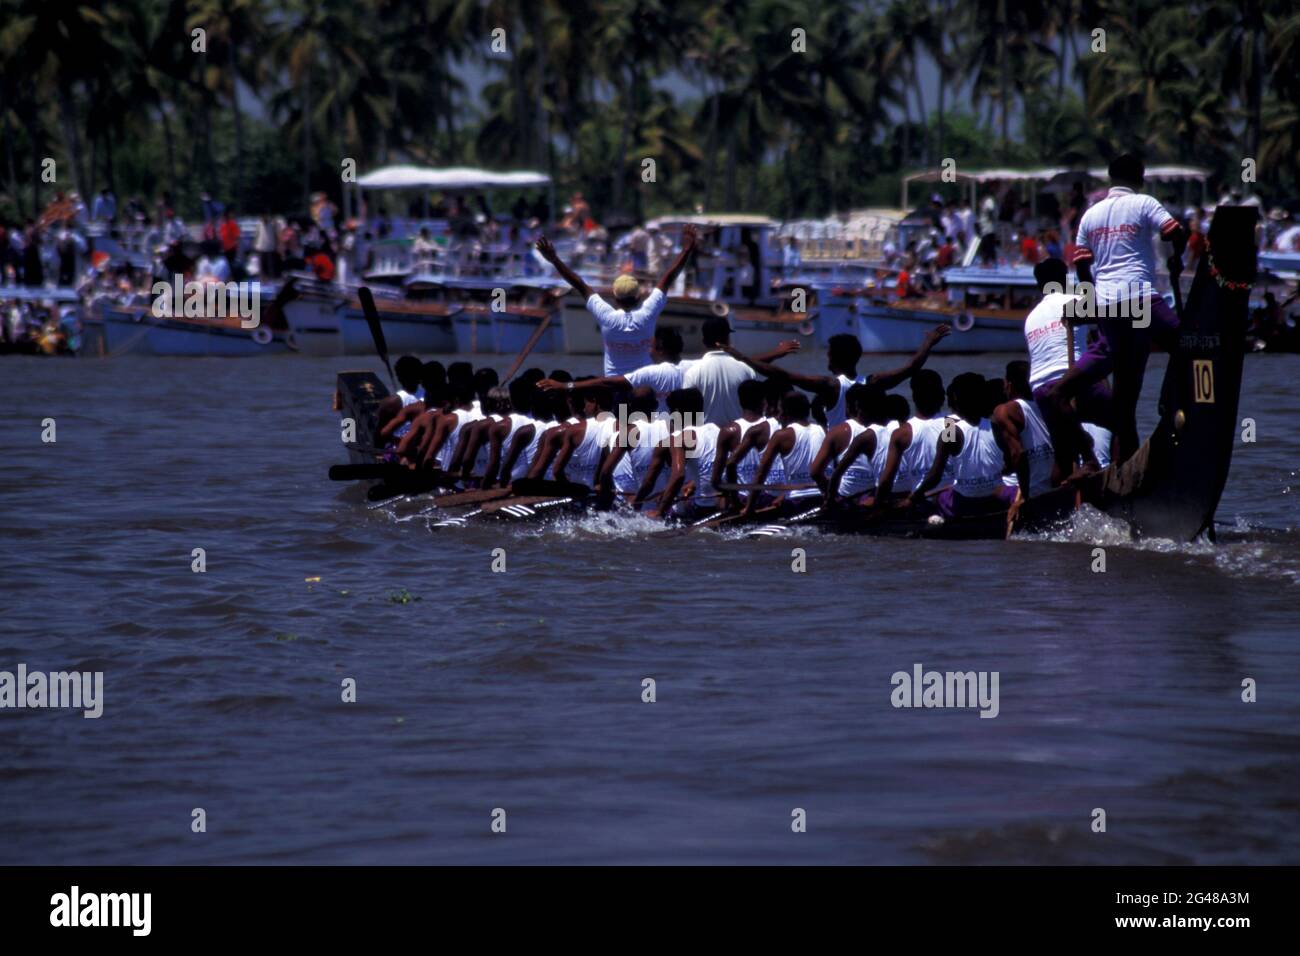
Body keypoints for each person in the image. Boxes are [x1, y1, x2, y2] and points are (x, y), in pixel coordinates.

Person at [1048, 153, 1186, 463]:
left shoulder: (1090, 215)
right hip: (1139, 299)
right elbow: (1175, 232)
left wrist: (1093, 306)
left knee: (1125, 398)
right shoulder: (1144, 203)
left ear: (1111, 179)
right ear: (1139, 178)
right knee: (1187, 345)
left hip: (1109, 306)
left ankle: (1124, 466)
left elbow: (1083, 269)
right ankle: (1176, 405)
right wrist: (1178, 256)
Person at [535, 225, 699, 375]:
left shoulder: (608, 317)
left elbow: (579, 284)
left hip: (615, 389)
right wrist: (685, 250)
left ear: (615, 298)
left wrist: (554, 260)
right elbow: (668, 278)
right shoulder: (647, 313)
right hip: (645, 388)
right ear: (639, 296)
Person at [722, 325, 950, 428]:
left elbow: (782, 374)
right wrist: (928, 343)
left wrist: (743, 357)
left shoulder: (830, 386)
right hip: (870, 456)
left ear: (837, 359)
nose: (827, 360)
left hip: (840, 456)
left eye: (830, 356)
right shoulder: (874, 383)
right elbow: (910, 368)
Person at [1023, 257, 1110, 476]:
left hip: (1040, 390)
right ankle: (1107, 461)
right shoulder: (1074, 299)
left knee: (1062, 452)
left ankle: (1064, 488)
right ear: (1064, 279)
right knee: (1120, 416)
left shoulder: (1030, 317)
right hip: (1071, 383)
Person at [908, 373, 1014, 518]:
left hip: (965, 504)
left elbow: (935, 476)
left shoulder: (950, 429)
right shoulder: (997, 427)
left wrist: (913, 497)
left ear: (956, 398)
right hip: (995, 500)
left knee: (938, 498)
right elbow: (1009, 466)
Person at [991, 361, 1057, 520]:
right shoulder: (1047, 406)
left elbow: (1017, 454)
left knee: (990, 489)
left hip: (1027, 489)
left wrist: (1024, 498)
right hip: (1051, 486)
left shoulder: (949, 422)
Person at [743, 391, 825, 516]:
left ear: (787, 412)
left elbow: (761, 473)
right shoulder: (822, 430)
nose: (779, 416)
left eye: (780, 411)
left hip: (797, 502)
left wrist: (749, 508)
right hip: (822, 498)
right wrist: (783, 495)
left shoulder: (782, 435)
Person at [873, 369, 948, 503]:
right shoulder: (951, 425)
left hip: (919, 503)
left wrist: (877, 507)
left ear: (914, 397)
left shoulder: (903, 433)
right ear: (942, 395)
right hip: (949, 501)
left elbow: (886, 481)